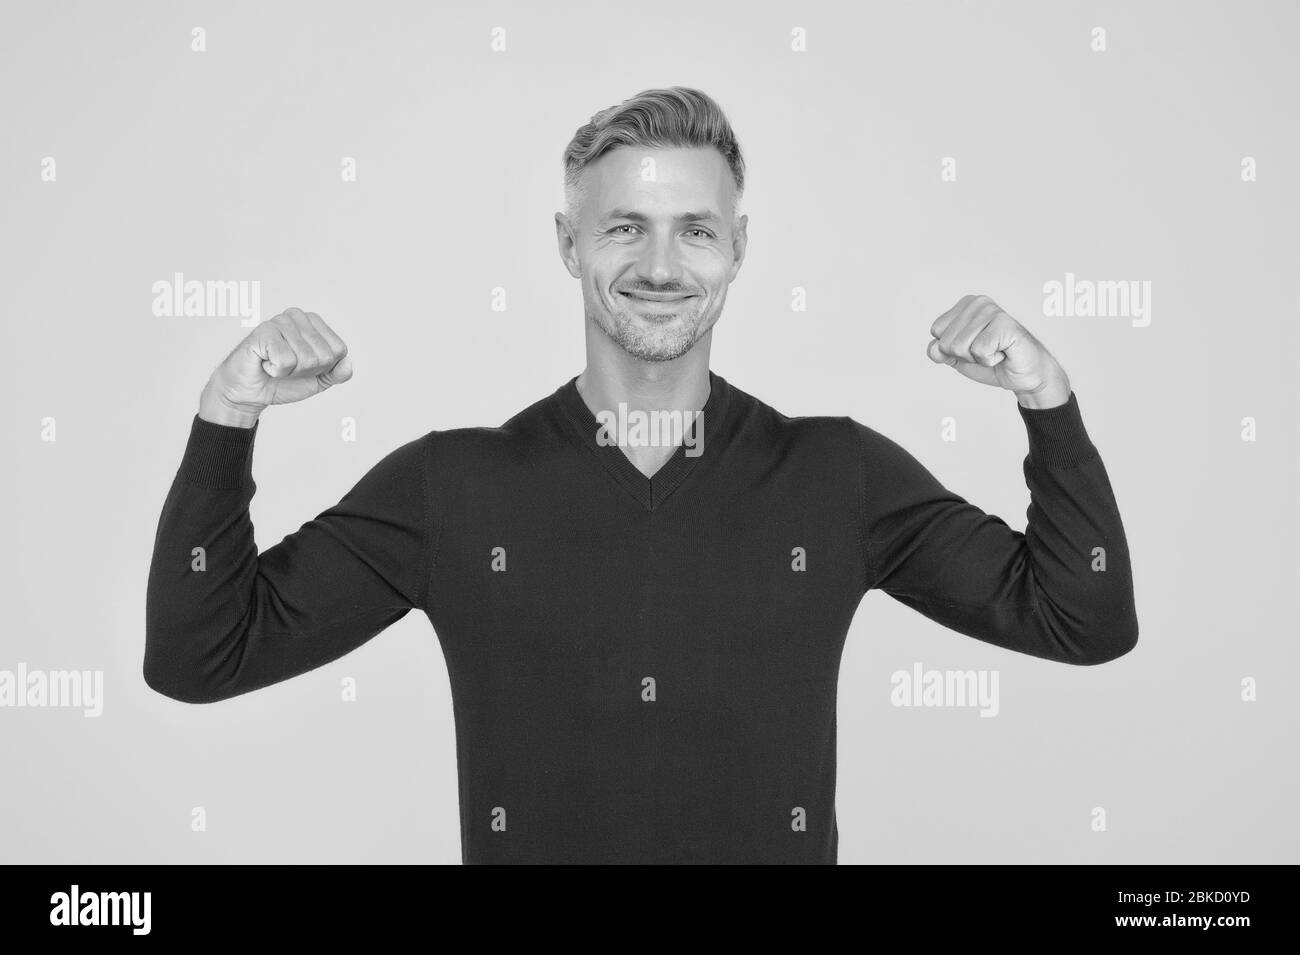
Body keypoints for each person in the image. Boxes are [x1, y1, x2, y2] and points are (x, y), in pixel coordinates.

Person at [145, 86, 1138, 864]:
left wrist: (1046, 401)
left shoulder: (837, 474)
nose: (660, 265)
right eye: (624, 226)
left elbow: (1082, 619)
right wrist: (228, 412)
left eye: (694, 229)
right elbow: (202, 657)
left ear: (737, 247)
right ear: (567, 243)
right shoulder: (453, 487)